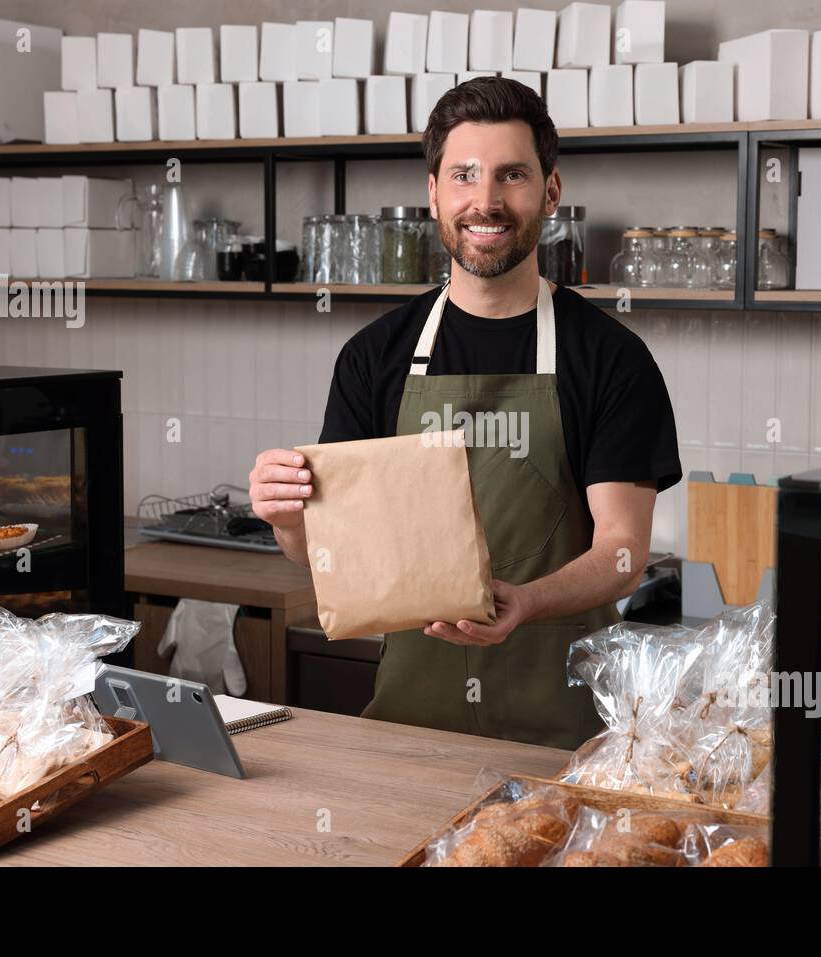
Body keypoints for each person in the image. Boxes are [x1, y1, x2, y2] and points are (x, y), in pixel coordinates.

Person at [250, 76, 681, 750]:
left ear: (551, 190)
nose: (487, 201)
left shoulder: (610, 357)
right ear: (434, 193)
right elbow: (330, 555)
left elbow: (623, 550)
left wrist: (527, 601)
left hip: (565, 743)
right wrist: (285, 517)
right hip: (410, 730)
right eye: (465, 176)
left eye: (512, 175)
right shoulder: (375, 356)